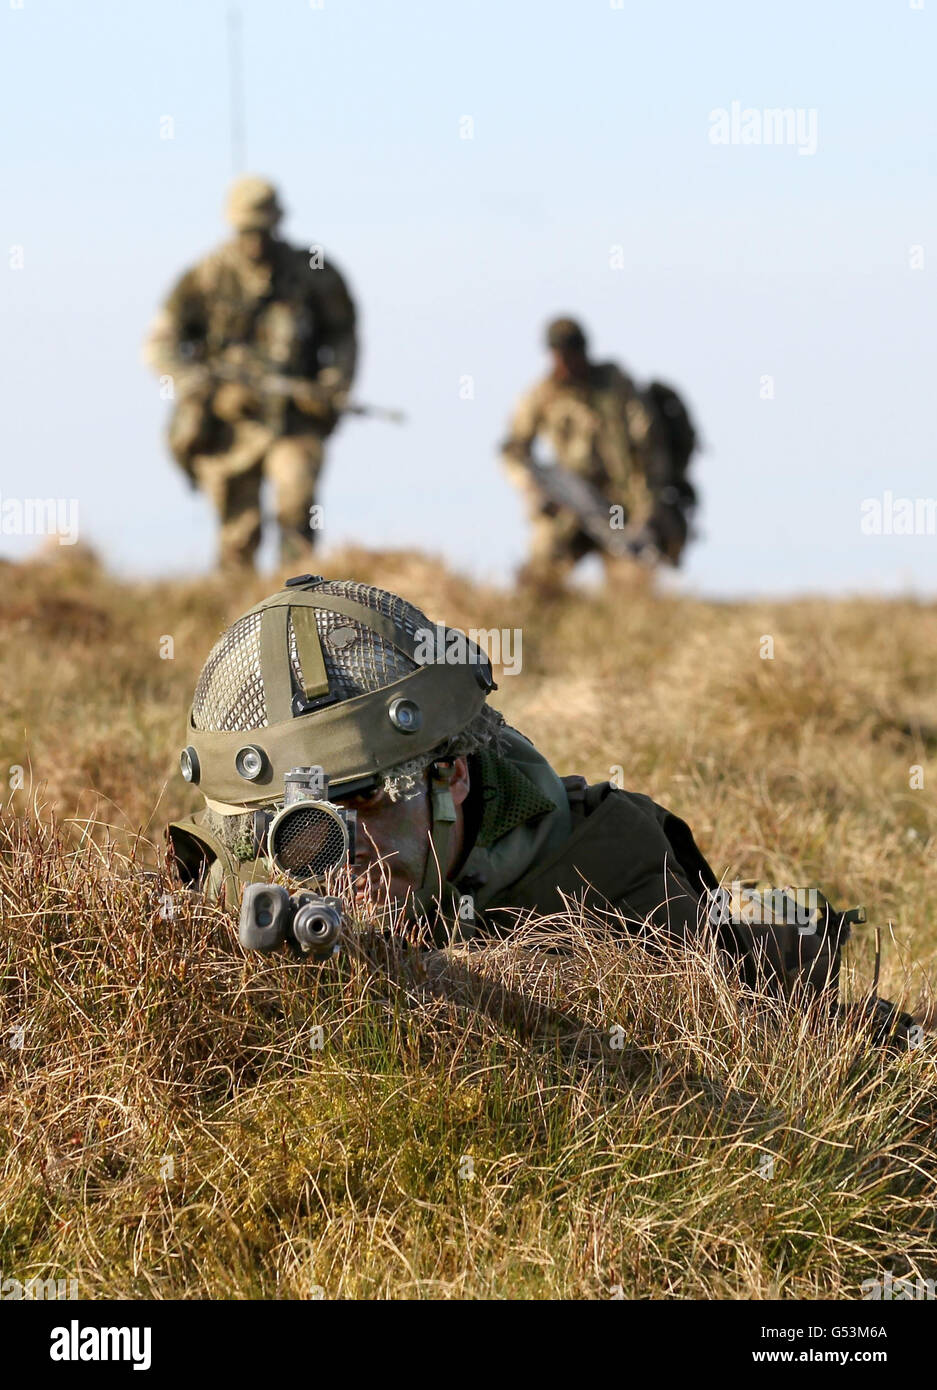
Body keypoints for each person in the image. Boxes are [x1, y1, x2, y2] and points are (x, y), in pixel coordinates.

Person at [166, 575, 912, 1044]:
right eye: (295, 828)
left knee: (783, 980)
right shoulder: (231, 874)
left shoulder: (601, 865)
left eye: (367, 801)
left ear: (453, 777)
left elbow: (710, 1058)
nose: (342, 851)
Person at [143, 177, 357, 570]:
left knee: (296, 506)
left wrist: (330, 386)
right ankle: (237, 602)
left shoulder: (313, 272)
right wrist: (208, 392)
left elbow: (344, 334)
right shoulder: (206, 275)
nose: (255, 242)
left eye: (262, 230)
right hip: (231, 426)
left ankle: (298, 595)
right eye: (246, 231)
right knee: (239, 530)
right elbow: (160, 345)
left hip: (293, 418)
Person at [501, 317, 696, 591]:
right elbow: (513, 451)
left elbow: (650, 446)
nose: (564, 362)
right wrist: (534, 491)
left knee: (631, 577)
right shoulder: (543, 395)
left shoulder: (615, 385)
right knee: (541, 569)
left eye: (571, 353)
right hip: (569, 507)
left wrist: (647, 509)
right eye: (558, 354)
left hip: (617, 507)